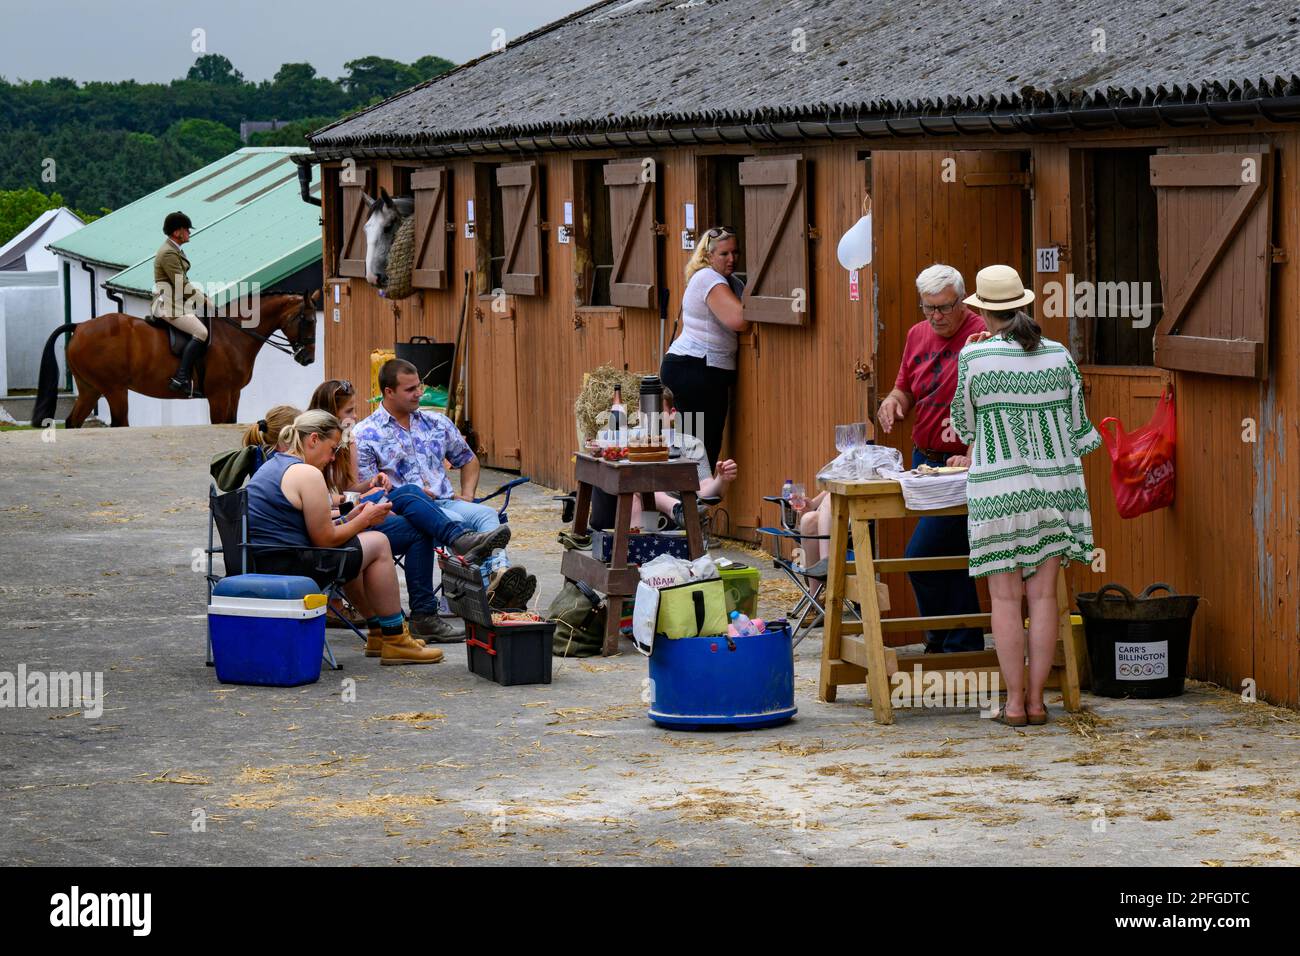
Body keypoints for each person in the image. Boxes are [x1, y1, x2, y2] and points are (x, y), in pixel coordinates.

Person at [952, 264, 1101, 726]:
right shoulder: (1060, 356)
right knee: (1043, 600)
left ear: (982, 312)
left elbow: (964, 426)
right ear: (1024, 305)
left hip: (1000, 489)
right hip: (1056, 488)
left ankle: (1013, 705)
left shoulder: (974, 359)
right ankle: (1038, 703)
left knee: (1005, 601)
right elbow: (1080, 432)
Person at [308, 378, 511, 642]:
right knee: (418, 525)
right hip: (343, 524)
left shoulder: (345, 442)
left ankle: (484, 570)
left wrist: (371, 483)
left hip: (354, 511)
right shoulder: (317, 453)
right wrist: (361, 499)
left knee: (411, 494)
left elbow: (345, 491)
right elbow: (329, 504)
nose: (354, 417)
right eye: (348, 412)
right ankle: (425, 613)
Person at [245, 410, 442, 665]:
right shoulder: (307, 474)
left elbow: (313, 527)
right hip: (292, 566)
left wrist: (352, 517)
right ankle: (395, 639)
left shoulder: (274, 465)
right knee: (378, 542)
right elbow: (325, 540)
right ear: (313, 439)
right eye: (332, 448)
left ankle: (378, 633)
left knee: (358, 545)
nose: (333, 457)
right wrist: (365, 520)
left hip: (267, 561)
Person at [353, 359, 537, 610]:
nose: (419, 394)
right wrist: (412, 495)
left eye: (419, 386)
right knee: (451, 519)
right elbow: (372, 491)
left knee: (486, 516)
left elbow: (469, 460)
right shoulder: (365, 433)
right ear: (388, 392)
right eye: (410, 390)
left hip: (446, 500)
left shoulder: (437, 423)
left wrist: (468, 495)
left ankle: (500, 578)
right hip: (405, 510)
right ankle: (479, 597)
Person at [876, 263, 986, 654]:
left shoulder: (981, 335)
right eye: (928, 308)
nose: (936, 316)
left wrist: (974, 452)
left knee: (924, 554)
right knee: (945, 556)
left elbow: (991, 404)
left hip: (964, 461)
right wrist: (893, 402)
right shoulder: (917, 334)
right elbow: (905, 387)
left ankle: (949, 638)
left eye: (944, 307)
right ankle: (954, 641)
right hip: (926, 459)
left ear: (962, 300)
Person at [660, 226, 749, 470]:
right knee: (698, 446)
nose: (732, 259)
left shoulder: (730, 281)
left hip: (702, 368)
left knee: (701, 444)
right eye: (724, 254)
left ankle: (689, 502)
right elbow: (739, 319)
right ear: (708, 256)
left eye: (735, 252)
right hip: (695, 366)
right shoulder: (708, 278)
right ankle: (685, 503)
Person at [152, 211, 212, 397]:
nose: (189, 233)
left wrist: (200, 295)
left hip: (178, 301)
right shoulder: (169, 253)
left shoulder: (174, 249)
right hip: (169, 305)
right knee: (201, 332)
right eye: (187, 229)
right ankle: (181, 378)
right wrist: (203, 300)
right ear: (178, 232)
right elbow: (181, 284)